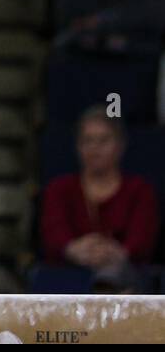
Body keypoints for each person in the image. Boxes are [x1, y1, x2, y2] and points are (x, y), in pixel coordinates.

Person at [40, 108, 159, 289]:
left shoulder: (140, 190)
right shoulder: (60, 189)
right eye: (88, 141)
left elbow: (142, 238)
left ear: (120, 145)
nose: (95, 149)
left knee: (118, 275)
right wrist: (75, 249)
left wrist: (117, 253)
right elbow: (53, 233)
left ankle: (106, 287)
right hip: (69, 275)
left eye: (103, 140)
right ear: (78, 146)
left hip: (126, 274)